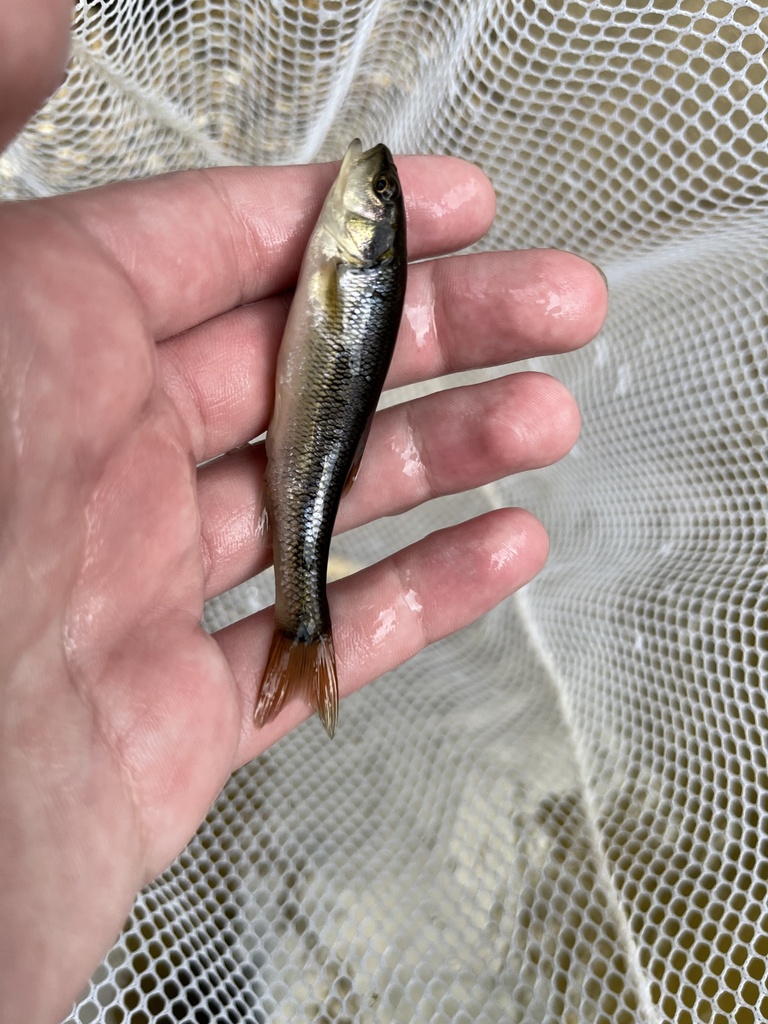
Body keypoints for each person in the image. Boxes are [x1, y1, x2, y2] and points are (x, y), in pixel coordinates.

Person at [0, 3, 607, 1021]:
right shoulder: (347, 259)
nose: (359, 183)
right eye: (375, 191)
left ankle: (303, 618)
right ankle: (304, 622)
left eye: (364, 197)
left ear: (348, 241)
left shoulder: (348, 253)